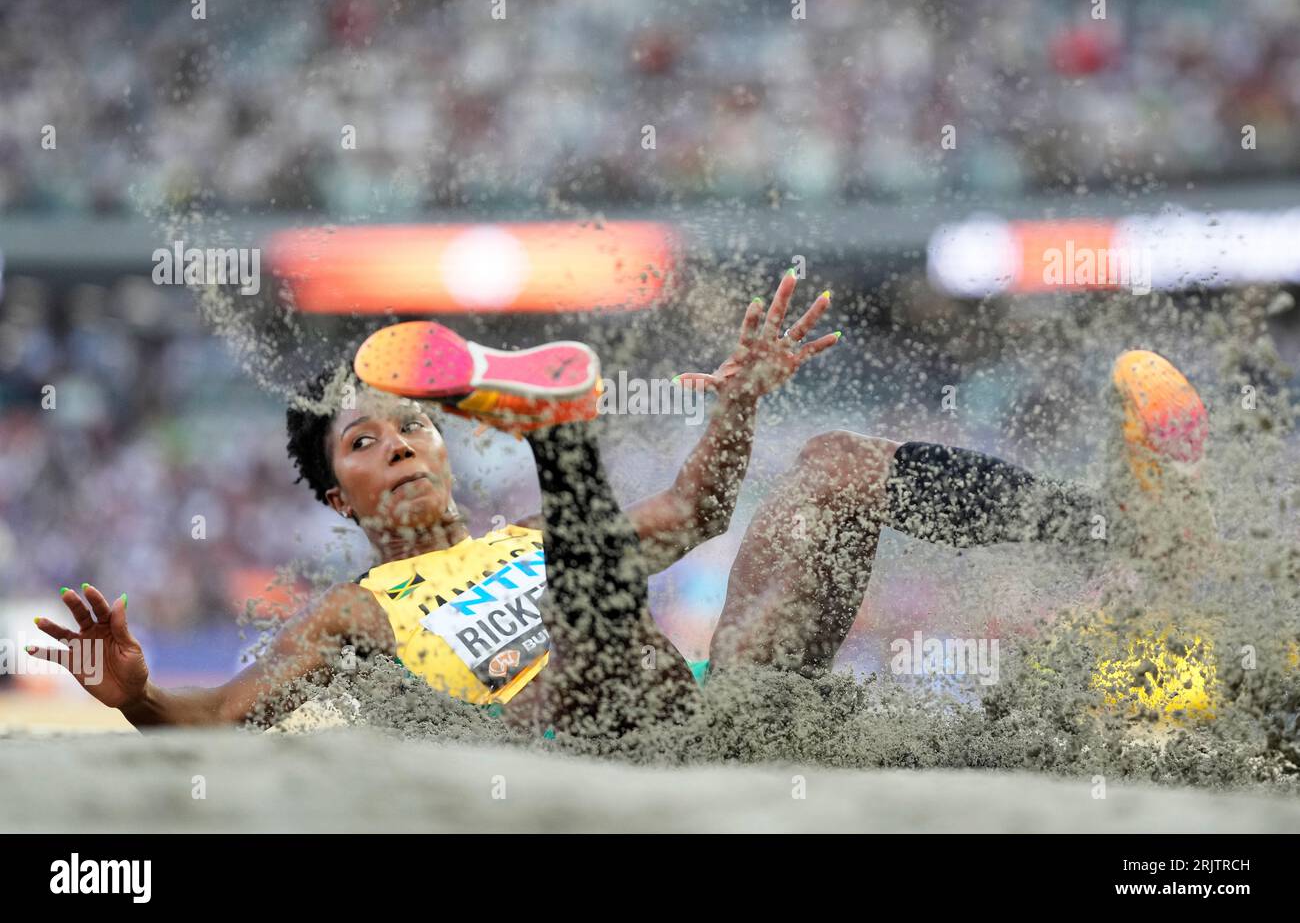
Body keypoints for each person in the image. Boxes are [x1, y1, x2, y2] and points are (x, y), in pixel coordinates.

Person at [31, 269, 1209, 732]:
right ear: (338, 496)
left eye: (409, 426)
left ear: (443, 452)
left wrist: (740, 402)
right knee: (575, 652)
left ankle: (1115, 525)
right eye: (360, 440)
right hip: (585, 753)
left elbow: (699, 512)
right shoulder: (355, 613)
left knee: (839, 463)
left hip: (720, 714)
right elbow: (226, 713)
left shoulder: (542, 547)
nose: (395, 444)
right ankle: (563, 433)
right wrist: (139, 696)